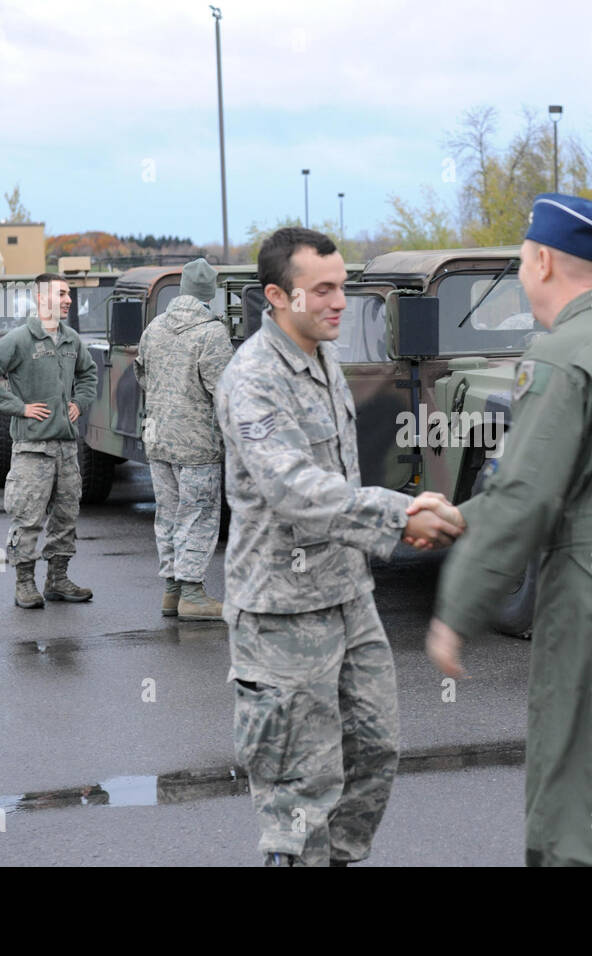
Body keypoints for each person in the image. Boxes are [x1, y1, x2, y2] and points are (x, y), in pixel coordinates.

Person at [414, 193, 592, 866]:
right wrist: (462, 517)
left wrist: (456, 612)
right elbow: (590, 484)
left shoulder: (560, 356)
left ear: (543, 260)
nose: (520, 273)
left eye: (520, 259)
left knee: (572, 808)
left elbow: (528, 495)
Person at [216, 227, 461, 867]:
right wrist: (400, 512)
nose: (339, 303)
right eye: (322, 290)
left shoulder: (323, 360)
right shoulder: (252, 378)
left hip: (348, 598)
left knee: (376, 754)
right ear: (278, 296)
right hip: (281, 614)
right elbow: (293, 488)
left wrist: (402, 512)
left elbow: (335, 483)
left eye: (342, 288)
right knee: (303, 790)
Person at [0, 273, 98, 609]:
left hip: (66, 449)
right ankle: (24, 583)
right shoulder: (20, 340)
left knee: (66, 516)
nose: (68, 300)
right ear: (41, 299)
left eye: (69, 294)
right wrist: (19, 408)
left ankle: (58, 579)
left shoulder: (72, 340)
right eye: (61, 294)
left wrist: (79, 403)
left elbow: (89, 374)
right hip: (32, 450)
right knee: (27, 517)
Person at [135, 258, 233, 621]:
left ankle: (172, 591)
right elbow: (225, 390)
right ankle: (193, 593)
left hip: (158, 439)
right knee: (200, 514)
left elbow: (141, 374)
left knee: (169, 514)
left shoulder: (155, 327)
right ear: (210, 293)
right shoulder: (212, 333)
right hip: (197, 445)